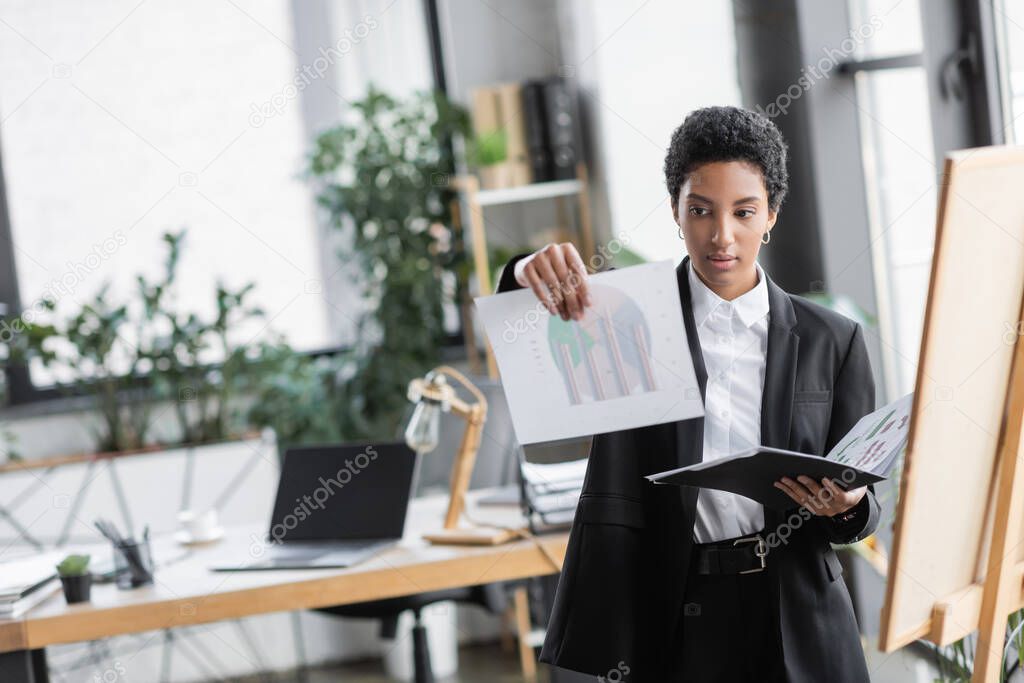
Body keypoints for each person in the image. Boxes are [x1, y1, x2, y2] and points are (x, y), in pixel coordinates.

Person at [495, 106, 879, 681]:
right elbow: (531, 348)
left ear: (770, 215)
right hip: (674, 609)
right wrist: (525, 274)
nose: (722, 236)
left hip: (797, 611)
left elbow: (862, 500)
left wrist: (848, 508)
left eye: (744, 212)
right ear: (676, 212)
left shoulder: (834, 339)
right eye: (700, 211)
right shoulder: (627, 322)